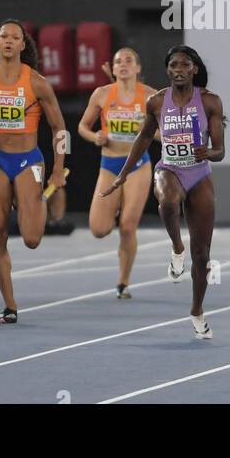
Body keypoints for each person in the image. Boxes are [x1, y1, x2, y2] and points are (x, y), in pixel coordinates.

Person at [103, 46, 225, 339]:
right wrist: (122, 175)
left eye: (185, 64)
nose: (179, 69)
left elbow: (220, 151)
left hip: (199, 174)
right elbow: (144, 137)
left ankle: (197, 310)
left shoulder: (210, 101)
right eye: (173, 65)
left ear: (194, 69)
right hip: (168, 169)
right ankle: (176, 249)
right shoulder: (156, 102)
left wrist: (208, 151)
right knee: (168, 202)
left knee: (204, 254)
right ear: (167, 70)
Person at [0, 20, 68, 324]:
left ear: (24, 45)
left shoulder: (37, 83)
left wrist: (58, 169)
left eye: (15, 37)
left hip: (28, 162)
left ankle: (38, 200)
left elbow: (58, 127)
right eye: (3, 36)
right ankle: (10, 306)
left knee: (32, 239)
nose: (9, 41)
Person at [78, 48, 157, 299]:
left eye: (128, 61)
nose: (123, 64)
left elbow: (161, 129)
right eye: (118, 62)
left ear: (137, 68)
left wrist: (162, 137)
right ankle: (111, 209)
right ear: (112, 69)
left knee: (127, 226)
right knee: (99, 229)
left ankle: (123, 282)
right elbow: (82, 126)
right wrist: (94, 137)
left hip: (137, 166)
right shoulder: (101, 95)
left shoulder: (151, 96)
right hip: (109, 165)